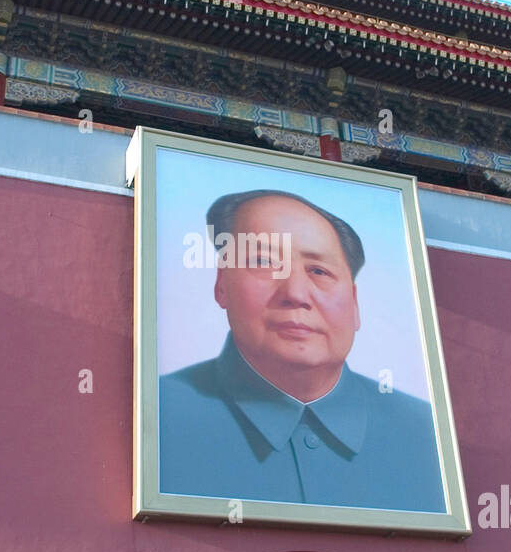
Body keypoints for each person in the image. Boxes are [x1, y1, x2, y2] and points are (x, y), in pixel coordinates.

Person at [159, 190, 446, 511]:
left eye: (318, 271)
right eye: (264, 263)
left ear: (354, 303)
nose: (296, 294)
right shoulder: (160, 413)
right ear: (221, 284)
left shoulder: (425, 433)